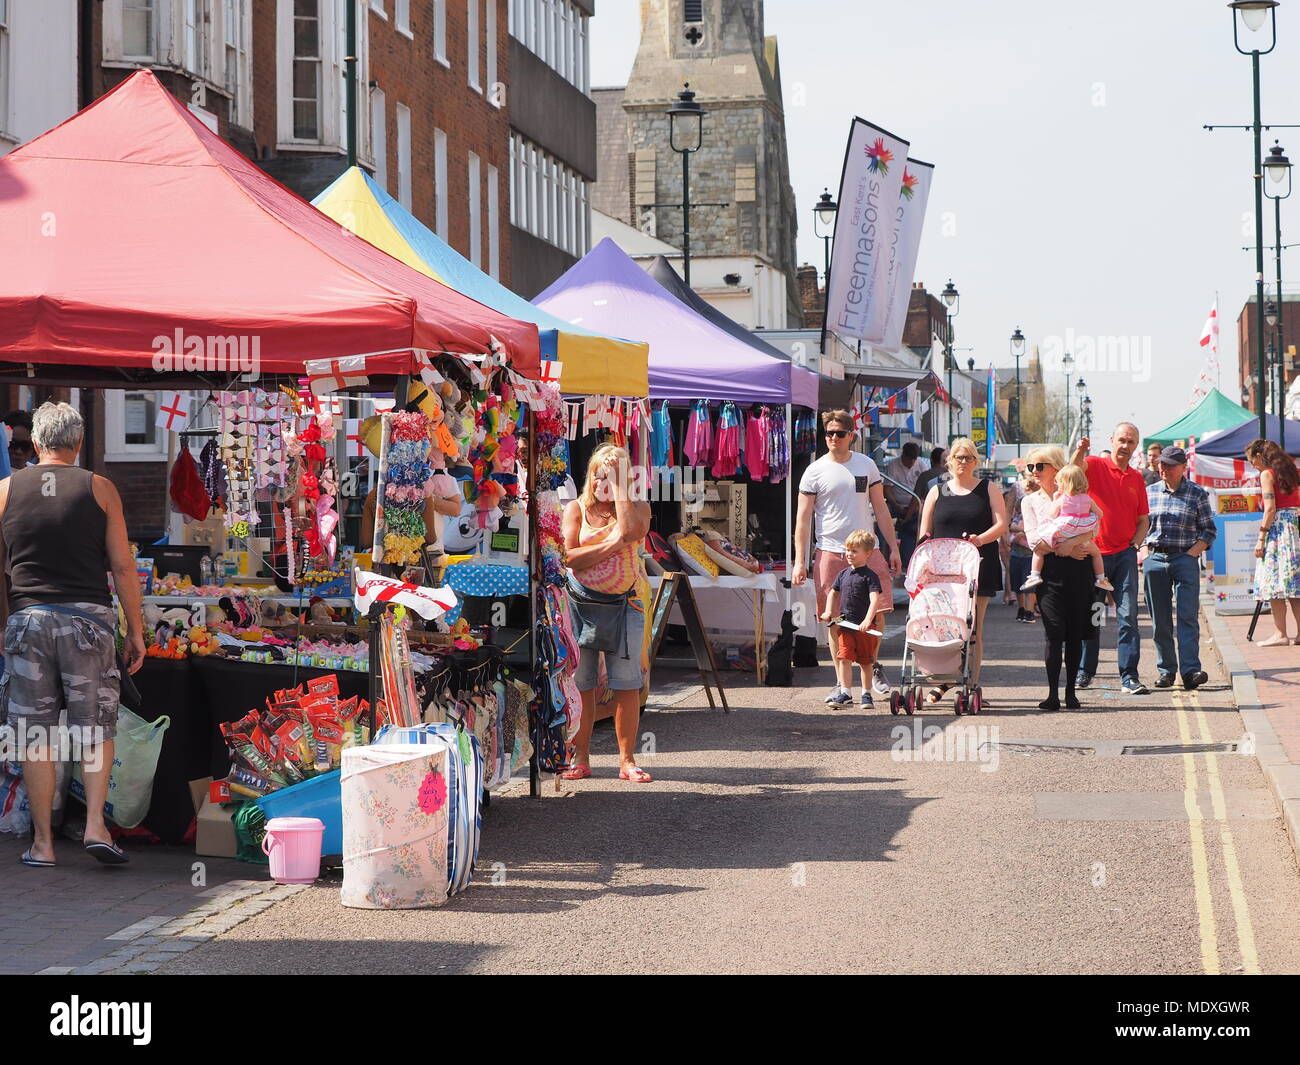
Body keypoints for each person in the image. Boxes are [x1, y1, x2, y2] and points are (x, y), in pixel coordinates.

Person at [0, 402, 146, 867]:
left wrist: (6, 621)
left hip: (29, 620)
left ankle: (42, 844)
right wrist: (135, 632)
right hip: (88, 622)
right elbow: (123, 566)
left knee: (35, 735)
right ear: (79, 443)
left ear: (37, 443)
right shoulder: (99, 488)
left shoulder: (4, 490)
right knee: (95, 728)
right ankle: (95, 826)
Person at [793, 410, 902, 707]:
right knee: (833, 618)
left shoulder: (866, 465)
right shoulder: (814, 470)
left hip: (868, 549)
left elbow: (880, 509)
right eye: (829, 433)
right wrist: (799, 560)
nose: (833, 438)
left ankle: (872, 663)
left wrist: (892, 547)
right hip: (830, 550)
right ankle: (842, 683)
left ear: (851, 435)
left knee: (878, 609)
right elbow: (803, 520)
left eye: (839, 433)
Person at [561, 444, 653, 782]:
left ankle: (627, 761)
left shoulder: (638, 507)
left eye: (613, 475)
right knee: (582, 682)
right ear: (590, 475)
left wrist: (619, 490)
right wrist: (612, 546)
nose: (604, 481)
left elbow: (630, 531)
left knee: (627, 684)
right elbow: (569, 557)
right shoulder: (575, 509)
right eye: (600, 475)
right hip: (580, 604)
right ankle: (580, 757)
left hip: (625, 604)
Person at [917, 437, 1008, 703]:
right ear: (949, 461)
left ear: (975, 462)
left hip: (978, 565)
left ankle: (971, 684)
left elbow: (1001, 524)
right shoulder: (937, 490)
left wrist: (980, 539)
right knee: (945, 626)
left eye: (968, 457)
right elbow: (925, 531)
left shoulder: (988, 489)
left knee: (974, 629)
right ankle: (947, 679)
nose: (963, 462)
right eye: (958, 457)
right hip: (942, 572)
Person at [1070, 424, 1151, 695]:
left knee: (1128, 617)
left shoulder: (1137, 478)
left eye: (1131, 442)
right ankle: (1085, 671)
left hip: (1124, 556)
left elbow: (1143, 519)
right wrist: (1080, 449)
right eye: (1121, 440)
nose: (1125, 446)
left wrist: (1135, 544)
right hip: (1094, 557)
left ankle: (1129, 676)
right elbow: (1071, 472)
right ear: (1112, 441)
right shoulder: (1094, 464)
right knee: (1093, 617)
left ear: (1136, 445)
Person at [1021, 446, 1099, 710]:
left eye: (1039, 466)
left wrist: (1074, 542)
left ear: (1056, 468)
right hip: (1050, 572)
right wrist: (1061, 547)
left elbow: (1094, 527)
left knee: (1076, 634)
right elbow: (1033, 542)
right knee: (1053, 634)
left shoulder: (1076, 492)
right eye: (1030, 467)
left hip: (1079, 569)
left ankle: (1071, 693)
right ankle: (1053, 693)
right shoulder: (1029, 501)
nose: (1034, 472)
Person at [1140, 446, 1215, 689]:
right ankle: (1166, 671)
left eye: (1170, 465)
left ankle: (1191, 671)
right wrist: (1144, 553)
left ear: (1183, 467)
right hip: (1155, 559)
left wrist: (1190, 555)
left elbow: (1209, 531)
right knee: (1160, 620)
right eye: (1162, 464)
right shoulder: (1149, 492)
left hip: (1184, 558)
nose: (1164, 468)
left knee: (1187, 617)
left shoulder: (1197, 494)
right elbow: (1140, 527)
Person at [1020, 464, 1113, 593]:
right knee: (1096, 553)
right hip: (1082, 534)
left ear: (1063, 483)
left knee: (1039, 552)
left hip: (1063, 532)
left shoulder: (1062, 499)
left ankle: (1035, 575)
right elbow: (1100, 514)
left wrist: (1056, 499)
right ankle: (1101, 578)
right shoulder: (1088, 499)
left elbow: (1051, 514)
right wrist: (1086, 516)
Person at [819, 529, 885, 709]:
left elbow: (874, 600)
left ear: (868, 553)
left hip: (863, 628)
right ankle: (846, 693)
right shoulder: (843, 574)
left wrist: (867, 620)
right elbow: (833, 593)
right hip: (845, 625)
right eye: (848, 550)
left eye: (854, 551)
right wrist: (827, 611)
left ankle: (866, 694)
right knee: (844, 659)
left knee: (865, 662)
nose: (849, 554)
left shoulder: (870, 576)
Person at [1245, 438, 1300, 645]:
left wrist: (1261, 537)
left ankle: (1280, 633)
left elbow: (1270, 508)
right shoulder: (1290, 472)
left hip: (1278, 531)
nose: (1252, 464)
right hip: (1294, 527)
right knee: (1294, 586)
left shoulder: (1266, 474)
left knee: (1274, 583)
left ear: (1260, 456)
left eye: (1252, 460)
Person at [884, 441, 926, 569]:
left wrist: (914, 509)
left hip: (916, 506)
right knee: (882, 517)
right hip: (896, 504)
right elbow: (887, 489)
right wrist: (896, 505)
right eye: (909, 460)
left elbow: (922, 492)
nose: (912, 463)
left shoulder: (922, 466)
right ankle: (883, 551)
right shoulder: (893, 465)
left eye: (914, 460)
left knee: (911, 527)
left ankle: (909, 561)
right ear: (903, 456)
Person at [1007, 469, 1039, 622]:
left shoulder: (1036, 515)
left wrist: (1023, 532)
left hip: (1031, 553)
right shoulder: (1017, 517)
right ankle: (1022, 609)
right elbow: (1010, 525)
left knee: (1030, 584)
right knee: (1018, 583)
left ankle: (1029, 610)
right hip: (1017, 553)